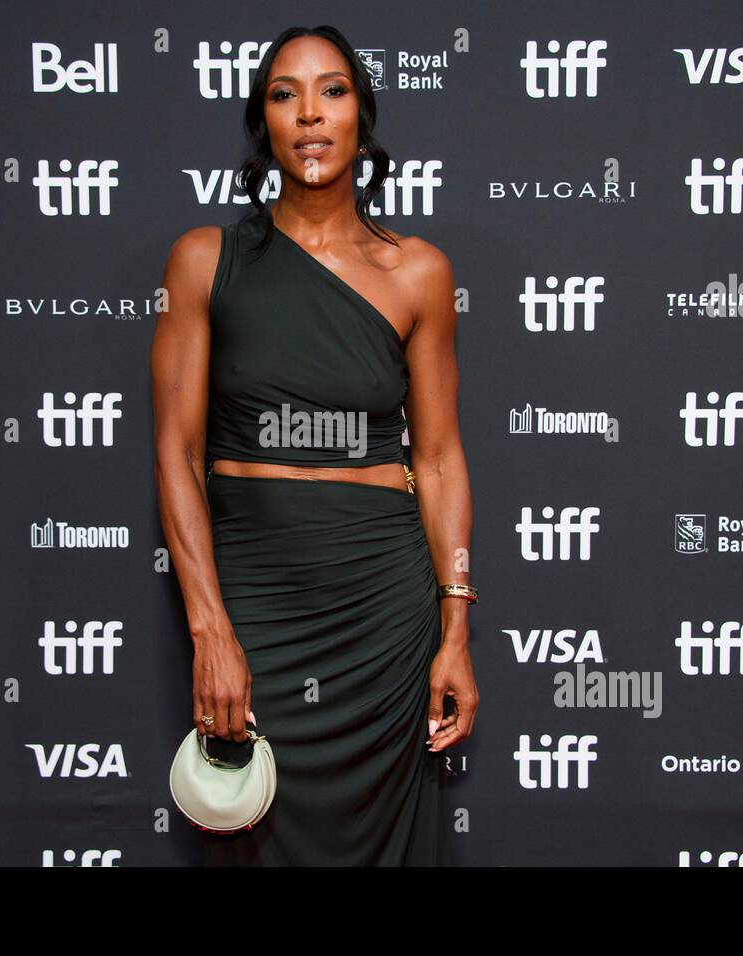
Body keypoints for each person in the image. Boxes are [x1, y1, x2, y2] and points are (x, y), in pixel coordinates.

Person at [151, 24, 478, 866]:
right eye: (283, 93)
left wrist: (454, 628)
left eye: (331, 91)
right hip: (256, 604)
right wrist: (210, 631)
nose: (309, 115)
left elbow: (437, 458)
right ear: (262, 121)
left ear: (363, 119)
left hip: (384, 613)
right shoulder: (204, 260)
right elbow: (180, 455)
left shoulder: (418, 272)